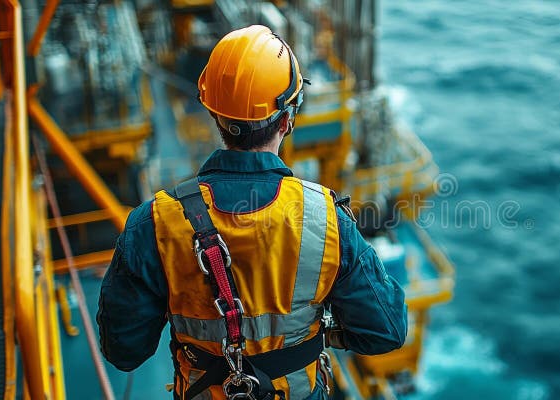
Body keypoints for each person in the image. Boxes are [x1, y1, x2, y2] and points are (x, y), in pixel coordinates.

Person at [97, 25, 407, 400]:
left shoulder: (154, 222)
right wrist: (313, 331)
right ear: (287, 120)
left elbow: (124, 350)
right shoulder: (326, 219)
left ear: (214, 114)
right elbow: (386, 330)